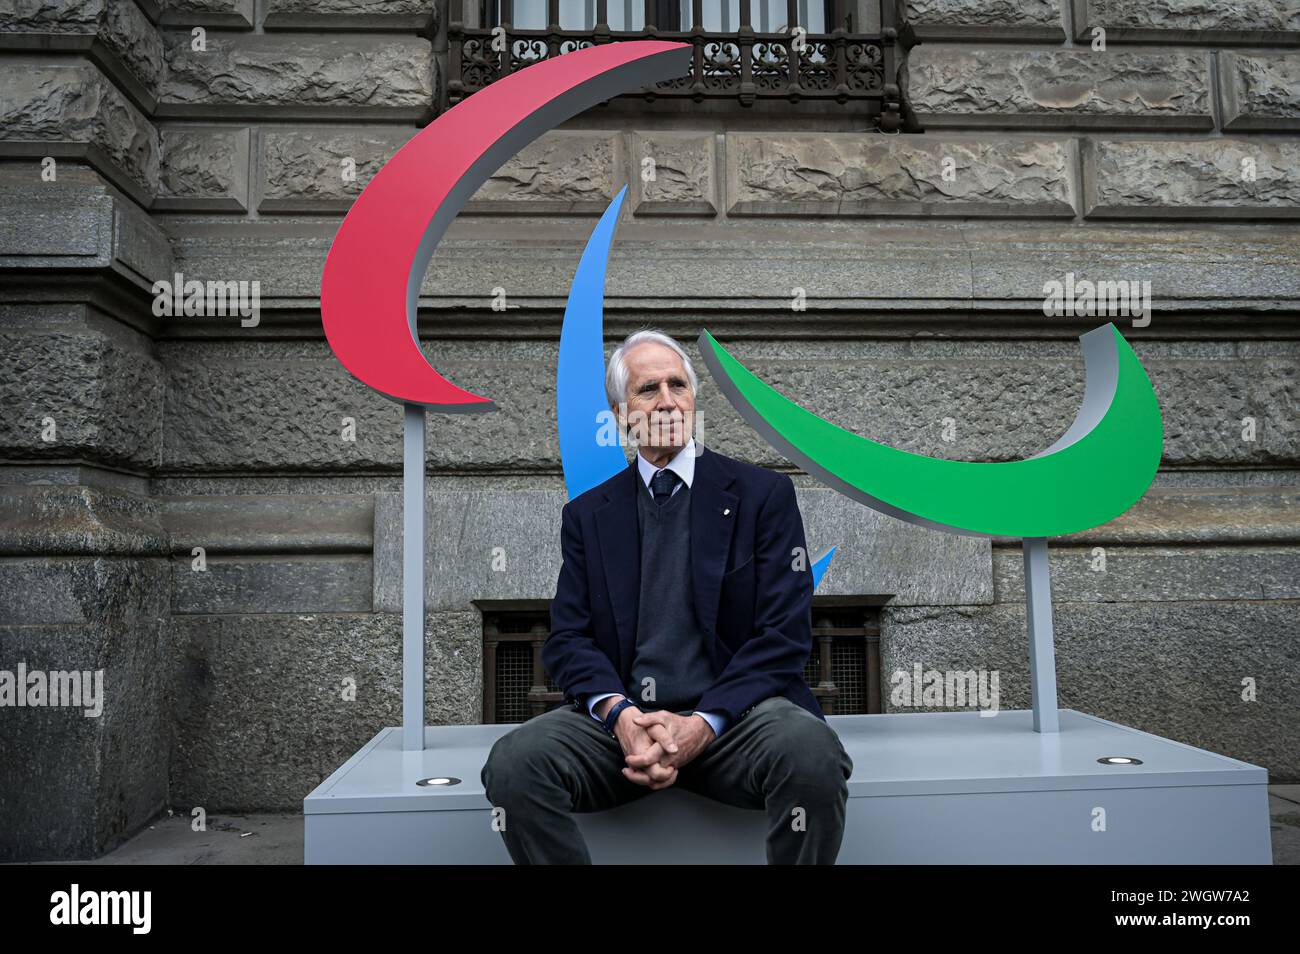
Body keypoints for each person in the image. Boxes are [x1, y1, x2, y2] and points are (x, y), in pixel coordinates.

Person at [480, 328, 853, 863]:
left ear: (695, 398)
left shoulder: (761, 496)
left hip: (736, 723)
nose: (667, 400)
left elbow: (784, 635)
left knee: (811, 753)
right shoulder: (588, 516)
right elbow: (568, 640)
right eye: (647, 388)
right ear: (620, 414)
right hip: (621, 736)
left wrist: (701, 725)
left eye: (678, 384)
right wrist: (622, 717)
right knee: (515, 765)